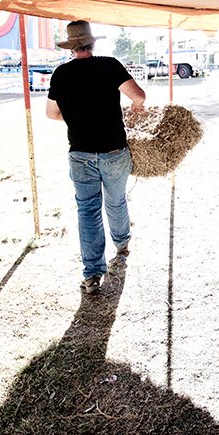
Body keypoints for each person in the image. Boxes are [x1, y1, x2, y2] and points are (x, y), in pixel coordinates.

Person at [46, 20, 146, 294]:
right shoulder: (109, 65)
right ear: (92, 43)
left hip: (79, 153)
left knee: (88, 211)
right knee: (116, 201)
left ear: (71, 47)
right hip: (114, 150)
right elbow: (139, 96)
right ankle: (122, 243)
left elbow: (52, 114)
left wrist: (78, 117)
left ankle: (92, 275)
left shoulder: (60, 74)